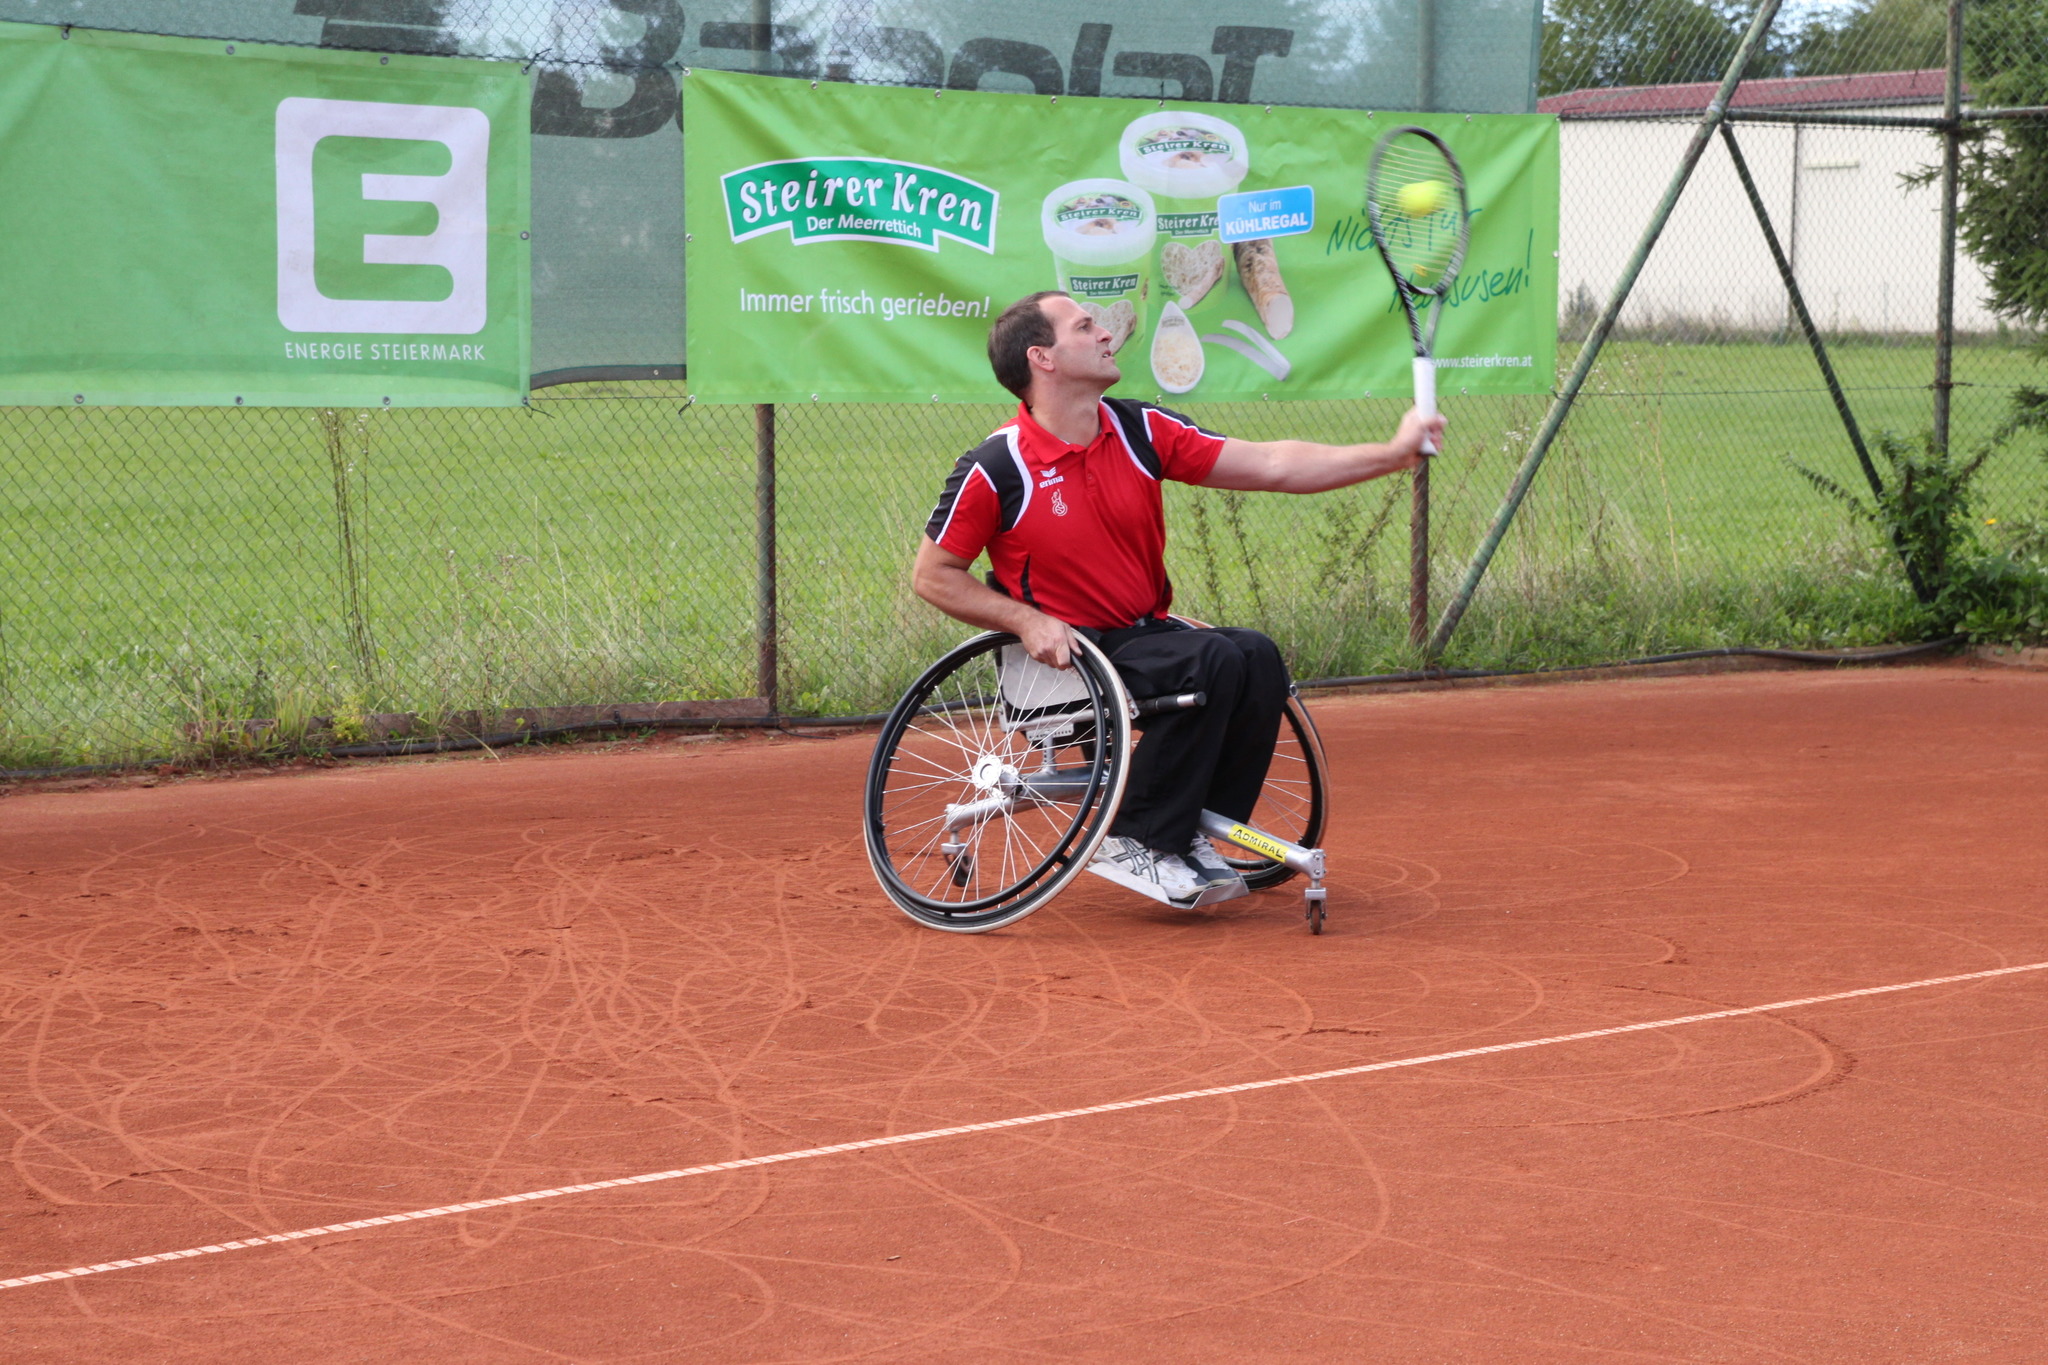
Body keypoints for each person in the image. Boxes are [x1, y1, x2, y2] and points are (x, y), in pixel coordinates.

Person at [914, 290, 1443, 905]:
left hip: (1143, 636)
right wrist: (1024, 620)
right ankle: (1133, 838)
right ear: (1043, 358)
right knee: (1210, 661)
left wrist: (1391, 454)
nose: (1107, 334)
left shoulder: (1140, 428)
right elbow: (934, 574)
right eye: (1085, 327)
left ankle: (1189, 831)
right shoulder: (996, 466)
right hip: (1063, 656)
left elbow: (1272, 464)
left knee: (1254, 655)